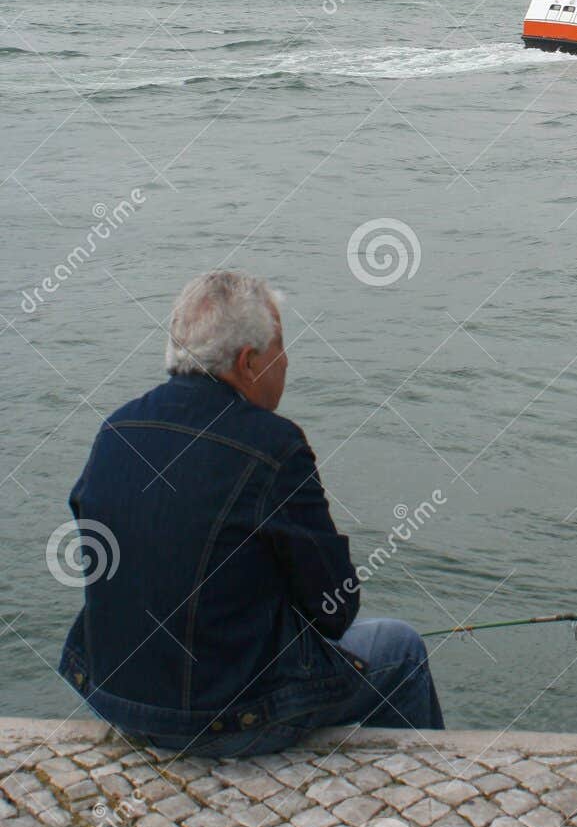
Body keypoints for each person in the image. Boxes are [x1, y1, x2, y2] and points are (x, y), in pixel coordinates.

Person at [58, 271, 443, 756]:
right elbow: (336, 610)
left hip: (115, 697)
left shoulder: (116, 430)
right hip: (225, 717)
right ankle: (429, 797)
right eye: (281, 348)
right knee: (400, 649)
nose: (287, 363)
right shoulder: (274, 446)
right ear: (248, 362)